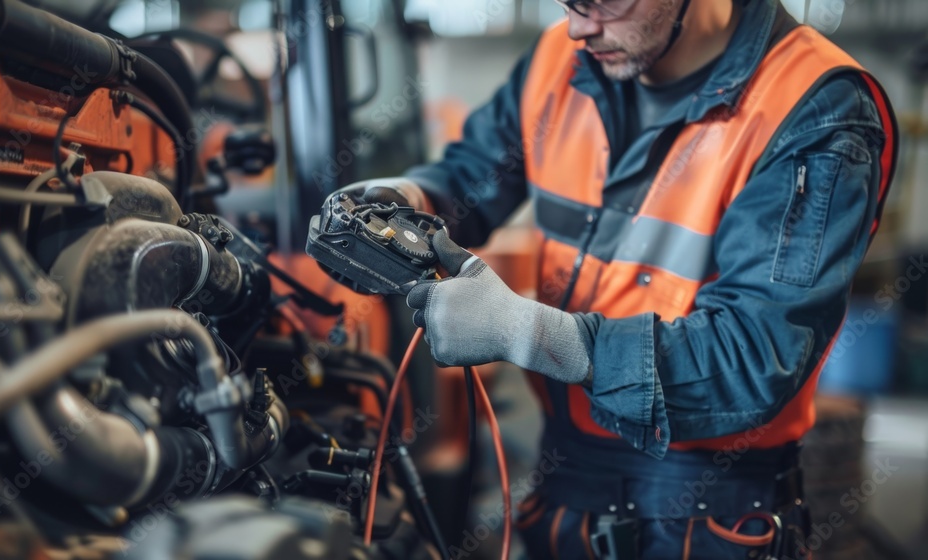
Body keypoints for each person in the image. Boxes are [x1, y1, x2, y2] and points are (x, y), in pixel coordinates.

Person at [334, 0, 897, 557]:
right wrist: (406, 198)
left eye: (601, 2)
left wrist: (528, 333)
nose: (577, 28)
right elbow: (470, 175)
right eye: (568, 3)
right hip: (564, 481)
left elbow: (753, 359)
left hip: (702, 511)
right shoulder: (562, 58)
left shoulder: (812, 108)